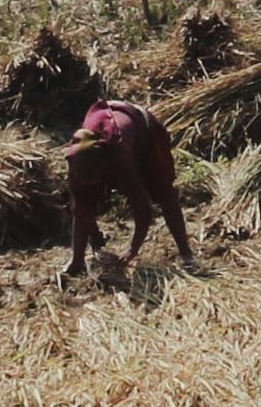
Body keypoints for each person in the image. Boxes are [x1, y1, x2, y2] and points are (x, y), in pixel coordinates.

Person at [58, 95, 193, 282]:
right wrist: (77, 259)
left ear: (103, 167)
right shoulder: (76, 161)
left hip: (145, 131)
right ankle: (77, 260)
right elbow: (81, 210)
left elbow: (144, 211)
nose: (88, 182)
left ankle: (187, 254)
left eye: (93, 178)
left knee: (164, 193)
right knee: (83, 202)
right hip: (117, 131)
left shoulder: (119, 158)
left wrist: (132, 250)